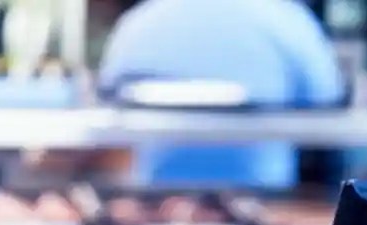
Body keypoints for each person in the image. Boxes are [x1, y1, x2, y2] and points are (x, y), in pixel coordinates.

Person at [98, 0, 345, 188]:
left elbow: (107, 101)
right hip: (268, 207)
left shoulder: (140, 22)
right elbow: (329, 108)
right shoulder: (287, 21)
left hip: (153, 206)